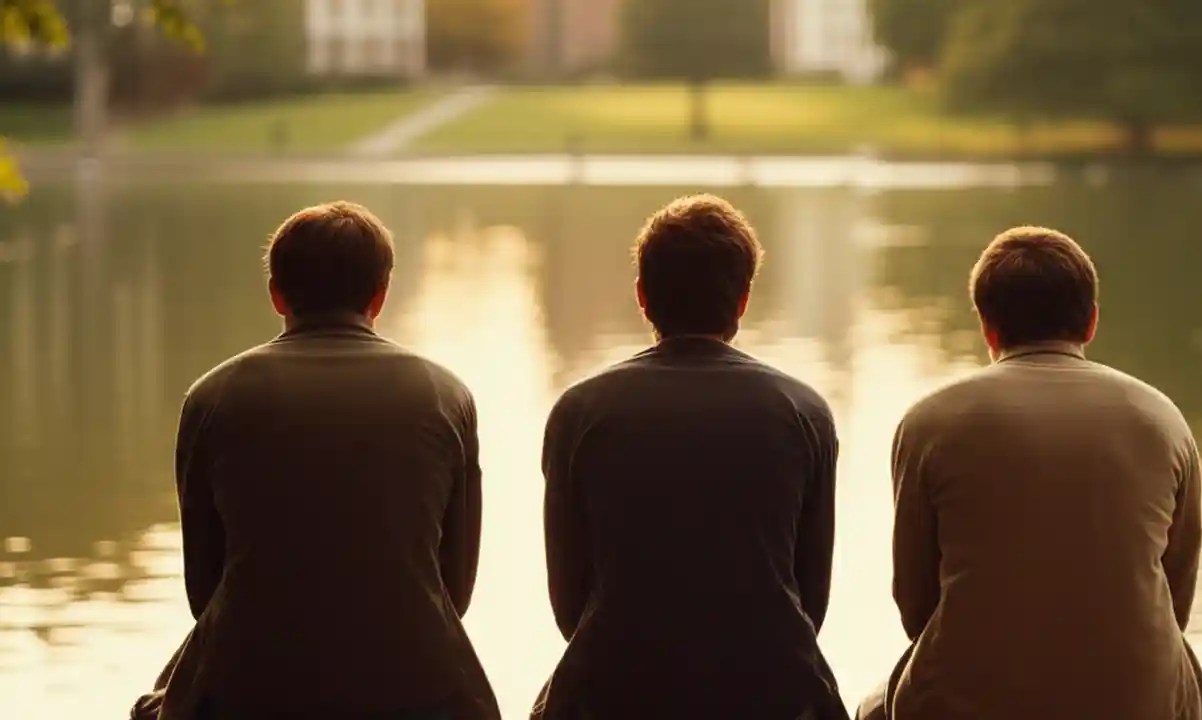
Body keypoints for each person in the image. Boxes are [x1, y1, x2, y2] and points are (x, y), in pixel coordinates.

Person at [135, 202, 499, 720]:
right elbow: (453, 589)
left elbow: (204, 589)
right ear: (380, 296)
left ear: (276, 295)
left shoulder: (213, 396)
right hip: (414, 684)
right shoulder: (444, 395)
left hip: (249, 681)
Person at [857, 227, 1202, 720]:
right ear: (1091, 322)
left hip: (968, 704)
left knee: (874, 706)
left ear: (987, 326)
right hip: (1141, 703)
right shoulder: (1162, 418)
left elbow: (915, 601)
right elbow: (1176, 596)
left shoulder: (930, 422)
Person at [532, 195, 849, 720]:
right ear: (743, 299)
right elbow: (810, 599)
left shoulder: (581, 412)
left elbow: (570, 602)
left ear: (642, 296)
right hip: (777, 693)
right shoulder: (803, 412)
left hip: (612, 692)